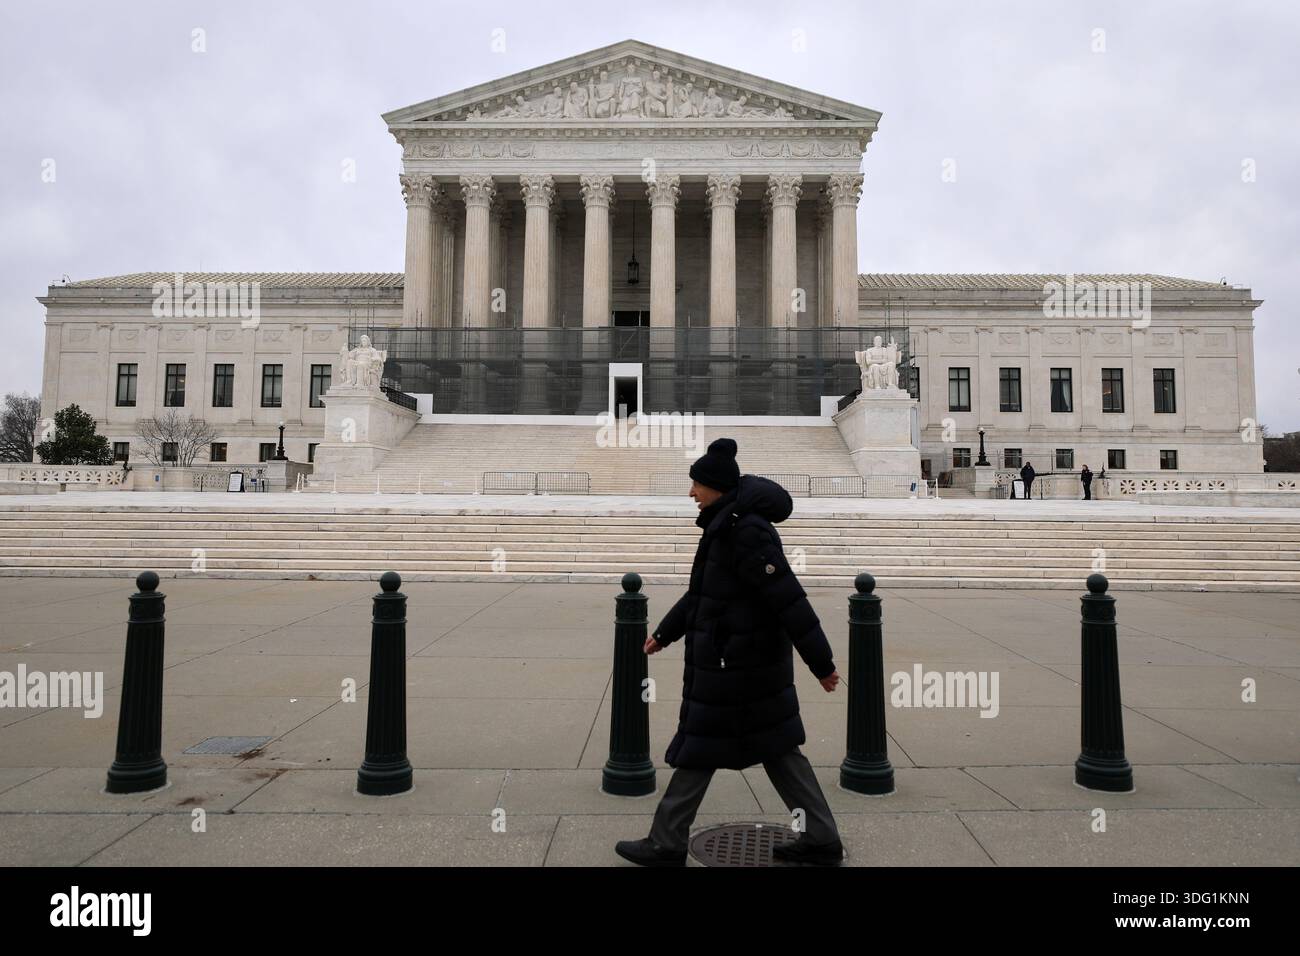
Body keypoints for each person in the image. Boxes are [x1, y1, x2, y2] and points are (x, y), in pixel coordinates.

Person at [615, 437, 844, 867]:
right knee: (776, 751)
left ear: (716, 486)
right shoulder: (726, 524)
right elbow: (702, 595)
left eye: (696, 485)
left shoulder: (746, 530)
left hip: (739, 666)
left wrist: (822, 663)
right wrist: (665, 633)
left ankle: (665, 842)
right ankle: (822, 837)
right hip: (739, 663)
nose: (690, 494)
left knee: (702, 749)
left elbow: (788, 599)